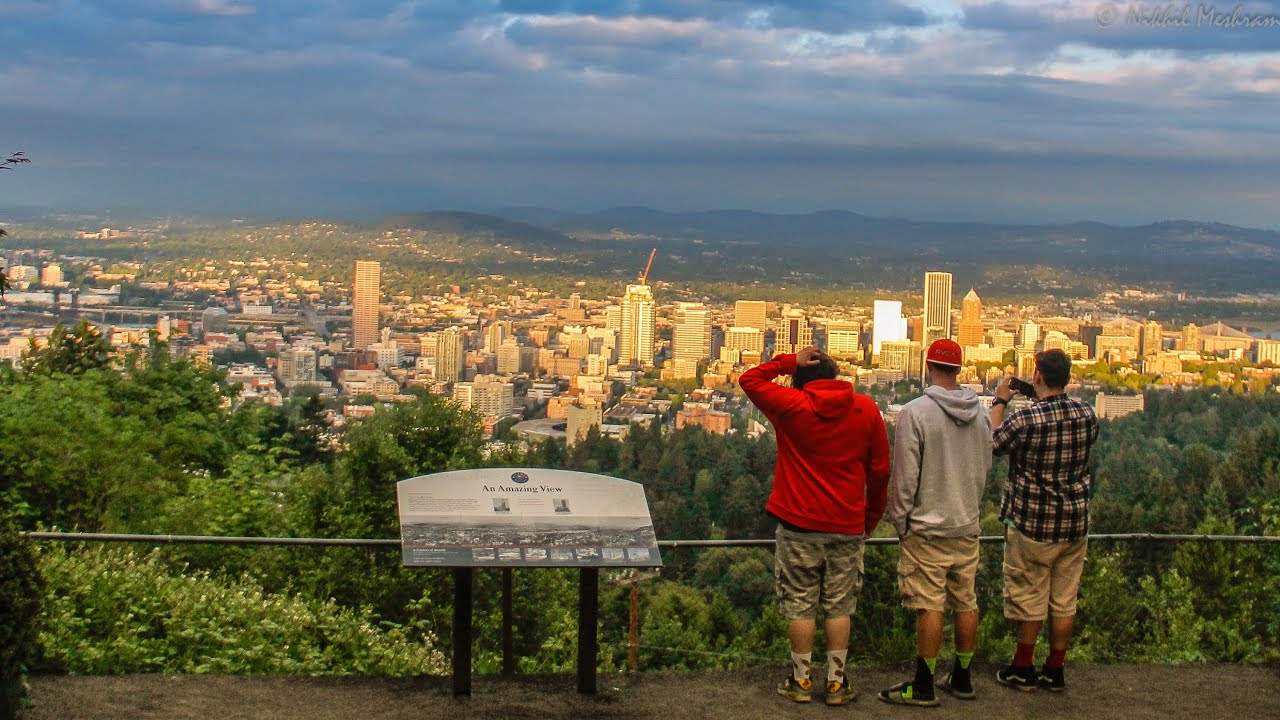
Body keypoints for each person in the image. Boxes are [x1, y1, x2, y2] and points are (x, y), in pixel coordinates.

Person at [739, 346, 891, 706]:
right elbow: (880, 471)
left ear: (800, 379)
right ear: (835, 376)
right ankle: (836, 683)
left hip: (798, 524)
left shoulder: (791, 406)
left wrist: (788, 361)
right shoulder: (865, 409)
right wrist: (870, 519)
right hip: (847, 524)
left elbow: (750, 380)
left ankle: (801, 681)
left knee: (800, 604)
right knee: (839, 606)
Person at [879, 339, 992, 707]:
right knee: (966, 602)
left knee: (930, 605)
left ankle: (924, 685)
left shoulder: (916, 413)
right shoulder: (981, 414)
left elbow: (905, 476)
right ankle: (962, 677)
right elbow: (986, 466)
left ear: (928, 367)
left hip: (927, 528)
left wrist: (900, 521)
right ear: (959, 369)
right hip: (966, 523)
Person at [990, 349, 1099, 693]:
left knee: (1029, 596)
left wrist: (1000, 401)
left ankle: (1023, 668)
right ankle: (1055, 669)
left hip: (1033, 523)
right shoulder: (1087, 414)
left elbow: (995, 443)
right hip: (1074, 522)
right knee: (1065, 600)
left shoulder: (1026, 420)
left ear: (1037, 375)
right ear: (1067, 377)